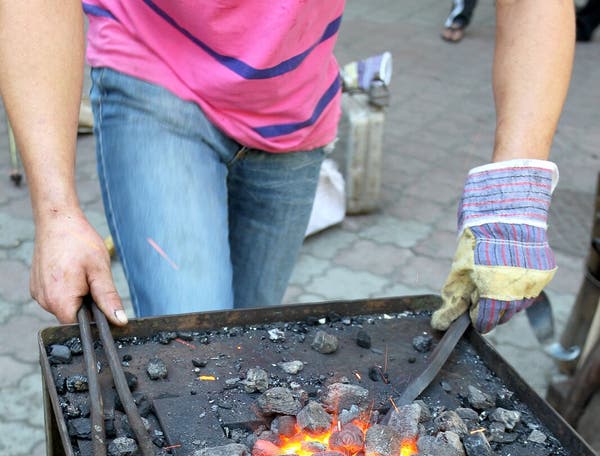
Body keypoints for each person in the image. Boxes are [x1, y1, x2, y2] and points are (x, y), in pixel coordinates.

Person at [0, 1, 575, 336]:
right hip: (153, 71)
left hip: (294, 109)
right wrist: (56, 210)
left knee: (247, 340)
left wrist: (515, 194)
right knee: (197, 346)